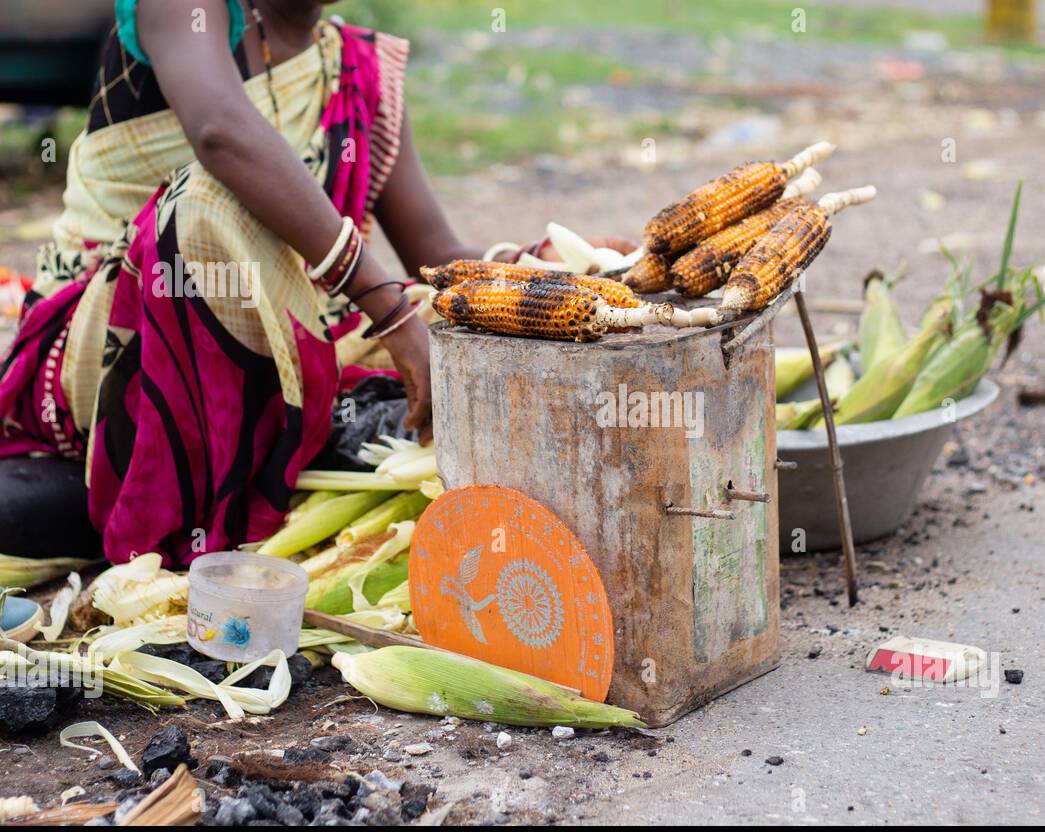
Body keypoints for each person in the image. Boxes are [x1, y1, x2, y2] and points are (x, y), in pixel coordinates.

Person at [0, 0, 631, 567]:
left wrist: (552, 260)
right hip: (112, 340)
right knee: (206, 206)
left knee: (460, 319)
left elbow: (434, 254)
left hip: (287, 348)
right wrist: (386, 310)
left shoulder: (357, 69)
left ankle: (295, 456)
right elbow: (221, 133)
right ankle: (226, 491)